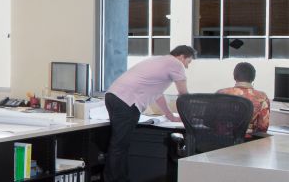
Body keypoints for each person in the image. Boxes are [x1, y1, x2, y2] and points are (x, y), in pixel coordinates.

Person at [104, 45, 194, 182]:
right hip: (127, 101)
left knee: (118, 143)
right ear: (181, 56)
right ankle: (116, 179)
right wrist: (189, 117)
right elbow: (183, 94)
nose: (187, 67)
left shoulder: (159, 61)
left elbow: (157, 95)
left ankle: (115, 178)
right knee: (120, 145)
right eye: (188, 62)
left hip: (113, 96)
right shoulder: (176, 64)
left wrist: (169, 115)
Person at [216, 62, 270, 139]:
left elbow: (207, 121)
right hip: (247, 142)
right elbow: (263, 127)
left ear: (234, 76)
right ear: (253, 78)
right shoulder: (261, 97)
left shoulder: (221, 93)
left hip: (220, 140)